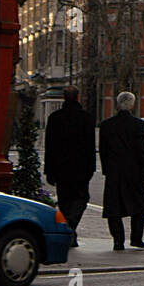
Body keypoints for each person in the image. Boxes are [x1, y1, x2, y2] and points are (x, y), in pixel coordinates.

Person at [98, 91, 144, 251]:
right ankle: (136, 238)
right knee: (139, 205)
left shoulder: (106, 125)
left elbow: (103, 150)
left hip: (114, 171)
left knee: (113, 207)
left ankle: (118, 240)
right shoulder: (137, 124)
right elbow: (142, 149)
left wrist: (106, 169)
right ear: (132, 105)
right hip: (133, 172)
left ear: (117, 104)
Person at [43, 86, 95, 246]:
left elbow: (49, 146)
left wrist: (49, 170)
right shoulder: (86, 118)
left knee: (64, 201)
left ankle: (68, 231)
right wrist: (91, 168)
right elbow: (90, 146)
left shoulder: (55, 118)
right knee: (81, 199)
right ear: (78, 98)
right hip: (80, 168)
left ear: (64, 98)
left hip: (60, 169)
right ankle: (70, 226)